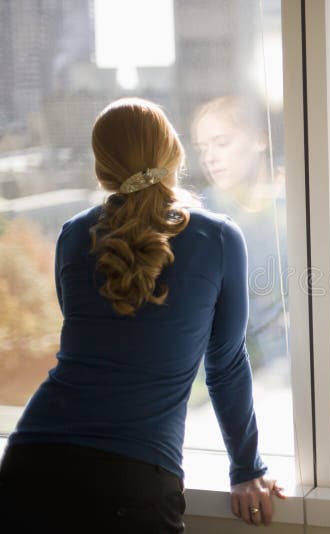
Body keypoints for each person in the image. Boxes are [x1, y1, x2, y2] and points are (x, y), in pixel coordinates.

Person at [0, 98, 285, 533]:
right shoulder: (219, 238)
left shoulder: (74, 235)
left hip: (31, 461)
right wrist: (246, 468)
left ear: (102, 170)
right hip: (132, 480)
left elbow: (84, 335)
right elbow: (225, 365)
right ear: (175, 153)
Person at [191, 95, 289, 375]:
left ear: (260, 140)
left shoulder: (295, 208)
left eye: (222, 143)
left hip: (291, 366)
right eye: (202, 148)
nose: (209, 157)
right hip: (226, 373)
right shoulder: (200, 215)